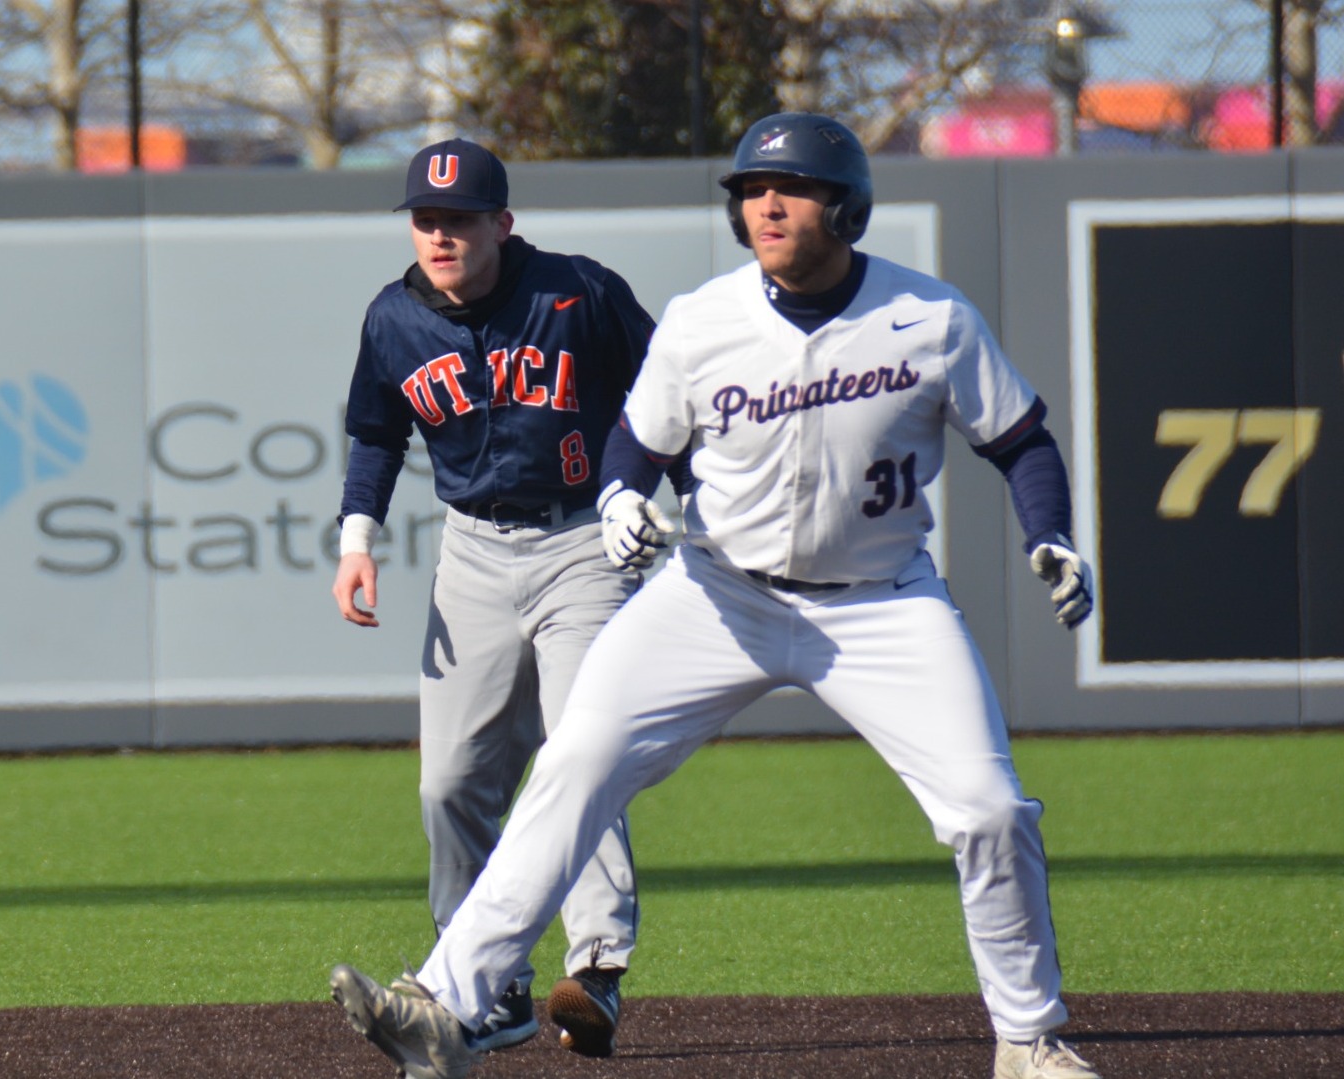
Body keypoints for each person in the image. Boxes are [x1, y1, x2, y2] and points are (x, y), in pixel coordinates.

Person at [329, 113, 1104, 1079]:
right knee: (576, 760)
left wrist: (1049, 531)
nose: (764, 205)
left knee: (989, 810)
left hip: (880, 605)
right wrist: (619, 494)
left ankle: (1028, 1036)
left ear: (847, 206)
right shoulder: (705, 318)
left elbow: (1020, 438)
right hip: (716, 593)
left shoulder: (930, 319)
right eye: (748, 191)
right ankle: (447, 1004)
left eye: (789, 189)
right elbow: (639, 440)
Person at [331, 137, 686, 1057]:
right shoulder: (393, 319)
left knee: (584, 746)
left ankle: (599, 968)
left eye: (458, 219)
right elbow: (374, 433)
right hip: (473, 552)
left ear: (502, 222)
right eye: (425, 219)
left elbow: (668, 396)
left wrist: (676, 498)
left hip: (584, 542)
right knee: (448, 781)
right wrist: (356, 539)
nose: (440, 235)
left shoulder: (574, 291)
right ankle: (483, 987)